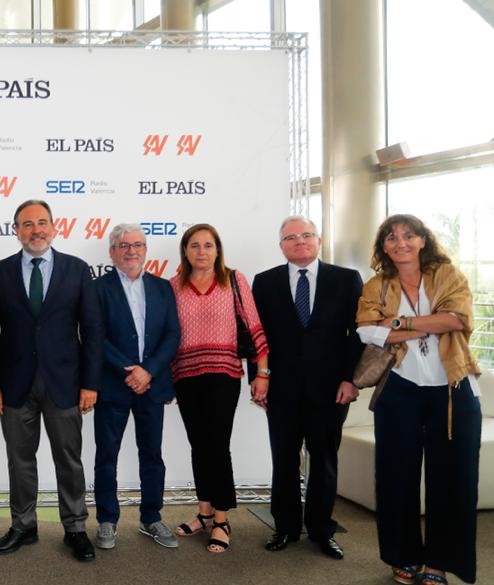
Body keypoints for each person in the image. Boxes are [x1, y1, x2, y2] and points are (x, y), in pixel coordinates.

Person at [355, 213, 481, 585]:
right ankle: (402, 554)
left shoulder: (447, 275)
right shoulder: (376, 284)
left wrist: (398, 324)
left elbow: (458, 320)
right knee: (395, 476)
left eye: (409, 236)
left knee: (454, 479)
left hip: (452, 388)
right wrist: (428, 321)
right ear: (384, 246)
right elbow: (365, 329)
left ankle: (440, 561)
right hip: (400, 387)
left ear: (422, 240)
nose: (401, 243)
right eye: (392, 238)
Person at [0, 199, 103, 562]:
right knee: (19, 460)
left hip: (65, 383)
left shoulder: (77, 270)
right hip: (14, 385)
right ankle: (23, 525)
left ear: (54, 227)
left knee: (69, 459)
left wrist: (90, 383)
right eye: (27, 224)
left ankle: (76, 528)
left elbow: (92, 331)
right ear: (16, 230)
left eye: (42, 222)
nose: (36, 230)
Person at [252, 216, 363, 560]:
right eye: (290, 237)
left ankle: (321, 530)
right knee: (283, 460)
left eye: (306, 235)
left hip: (332, 390)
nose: (299, 242)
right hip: (281, 389)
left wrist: (351, 379)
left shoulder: (346, 280)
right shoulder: (265, 282)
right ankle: (284, 527)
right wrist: (261, 377)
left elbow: (357, 335)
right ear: (281, 245)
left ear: (319, 240)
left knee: (324, 461)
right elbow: (257, 339)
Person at [171, 223, 269, 553]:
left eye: (208, 245)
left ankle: (222, 519)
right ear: (185, 251)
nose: (201, 251)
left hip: (223, 375)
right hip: (186, 376)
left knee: (217, 446)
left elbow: (256, 328)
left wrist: (263, 374)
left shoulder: (234, 280)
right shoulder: (174, 286)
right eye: (194, 245)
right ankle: (203, 512)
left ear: (218, 250)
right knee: (198, 446)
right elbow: (169, 336)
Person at [92, 223, 181, 550]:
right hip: (113, 386)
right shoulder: (97, 288)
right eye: (124, 245)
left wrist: (149, 371)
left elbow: (173, 334)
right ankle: (106, 520)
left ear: (145, 250)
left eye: (138, 245)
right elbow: (94, 336)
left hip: (152, 386)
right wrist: (127, 370)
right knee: (107, 456)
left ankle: (151, 517)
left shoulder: (162, 287)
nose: (131, 251)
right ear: (112, 252)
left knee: (153, 455)